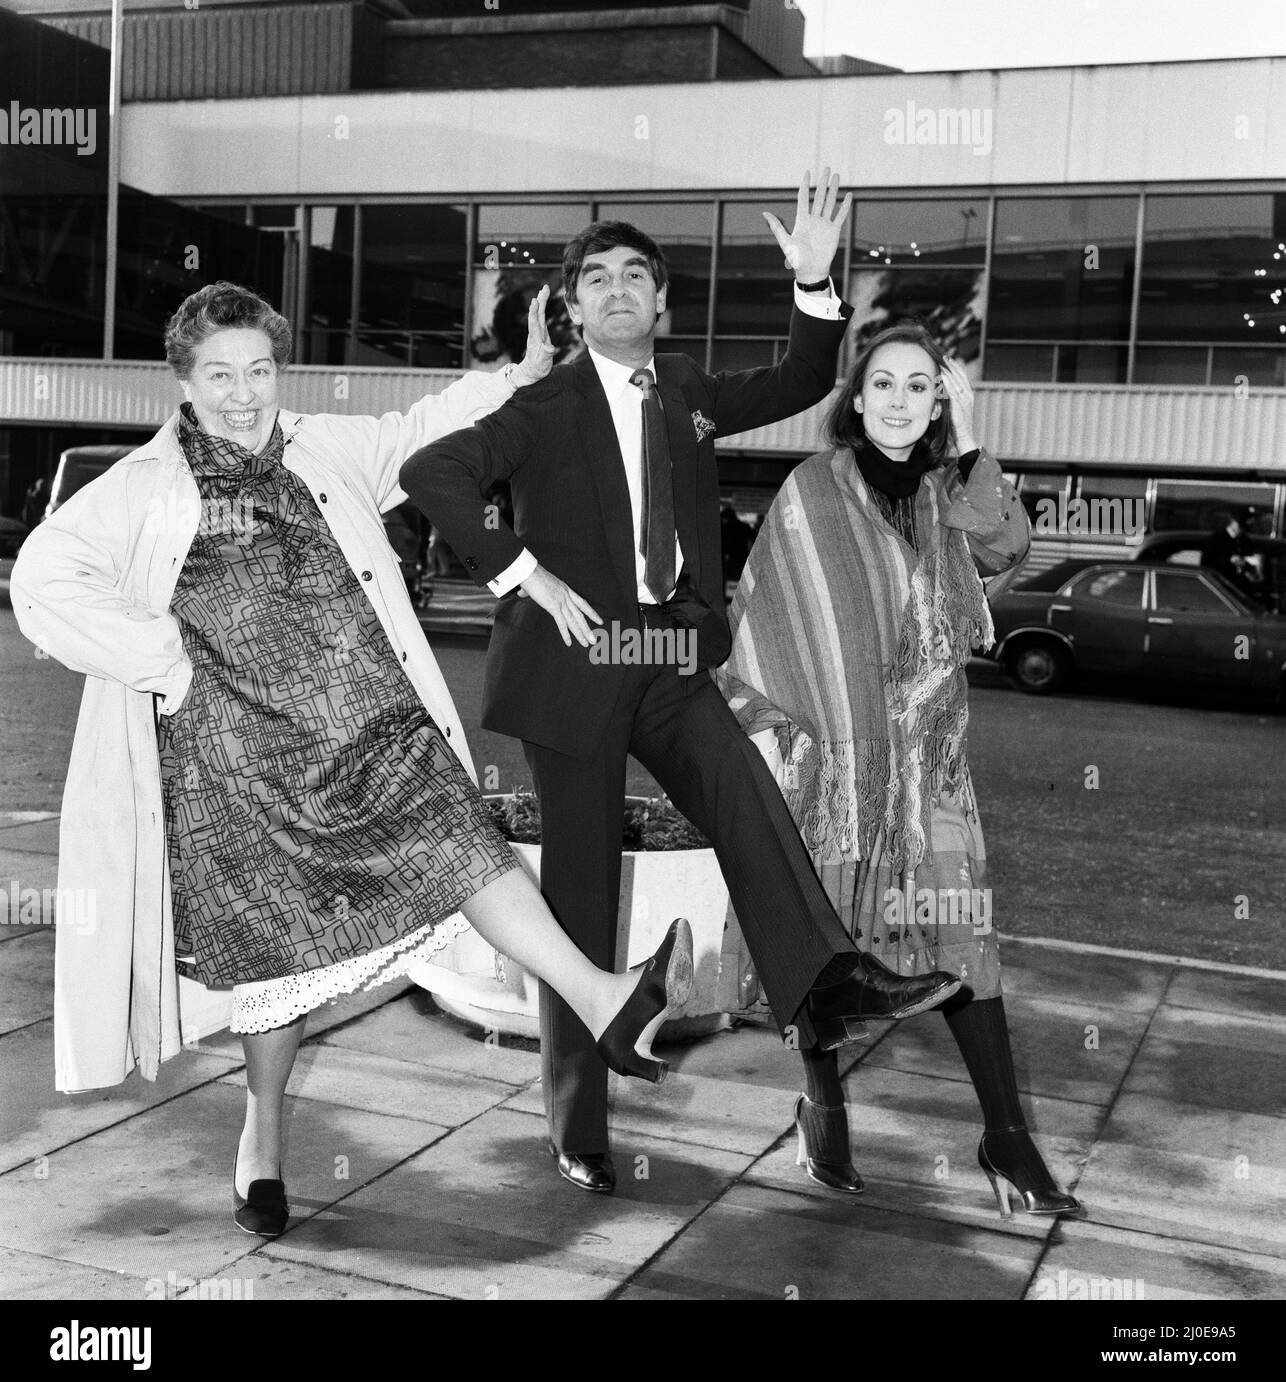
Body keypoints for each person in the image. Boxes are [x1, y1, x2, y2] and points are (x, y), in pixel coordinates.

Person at [9, 280, 694, 1239]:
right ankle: (264, 1140)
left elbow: (424, 427)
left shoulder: (322, 450)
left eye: (260, 369)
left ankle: (604, 998)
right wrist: (164, 662)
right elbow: (42, 577)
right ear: (183, 380)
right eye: (220, 374)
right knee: (278, 965)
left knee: (461, 843)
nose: (244, 393)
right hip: (244, 761)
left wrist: (523, 371)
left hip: (373, 728)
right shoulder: (142, 487)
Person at [400, 172, 960, 1197]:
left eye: (634, 277)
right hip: (571, 672)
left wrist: (811, 279)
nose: (616, 291)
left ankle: (825, 986)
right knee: (577, 898)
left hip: (662, 657)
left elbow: (798, 378)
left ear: (660, 302)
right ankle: (577, 1124)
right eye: (596, 278)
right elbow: (433, 473)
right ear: (572, 306)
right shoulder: (540, 407)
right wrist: (524, 574)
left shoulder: (689, 391)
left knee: (742, 796)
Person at [716, 320, 1084, 1217]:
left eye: (920, 386)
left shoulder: (946, 491)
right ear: (855, 397)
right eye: (884, 383)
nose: (899, 401)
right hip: (831, 764)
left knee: (964, 936)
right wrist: (787, 729)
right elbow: (772, 613)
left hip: (931, 768)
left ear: (937, 401)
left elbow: (1007, 549)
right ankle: (825, 1101)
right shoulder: (809, 489)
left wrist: (969, 445)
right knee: (827, 935)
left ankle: (1007, 1138)